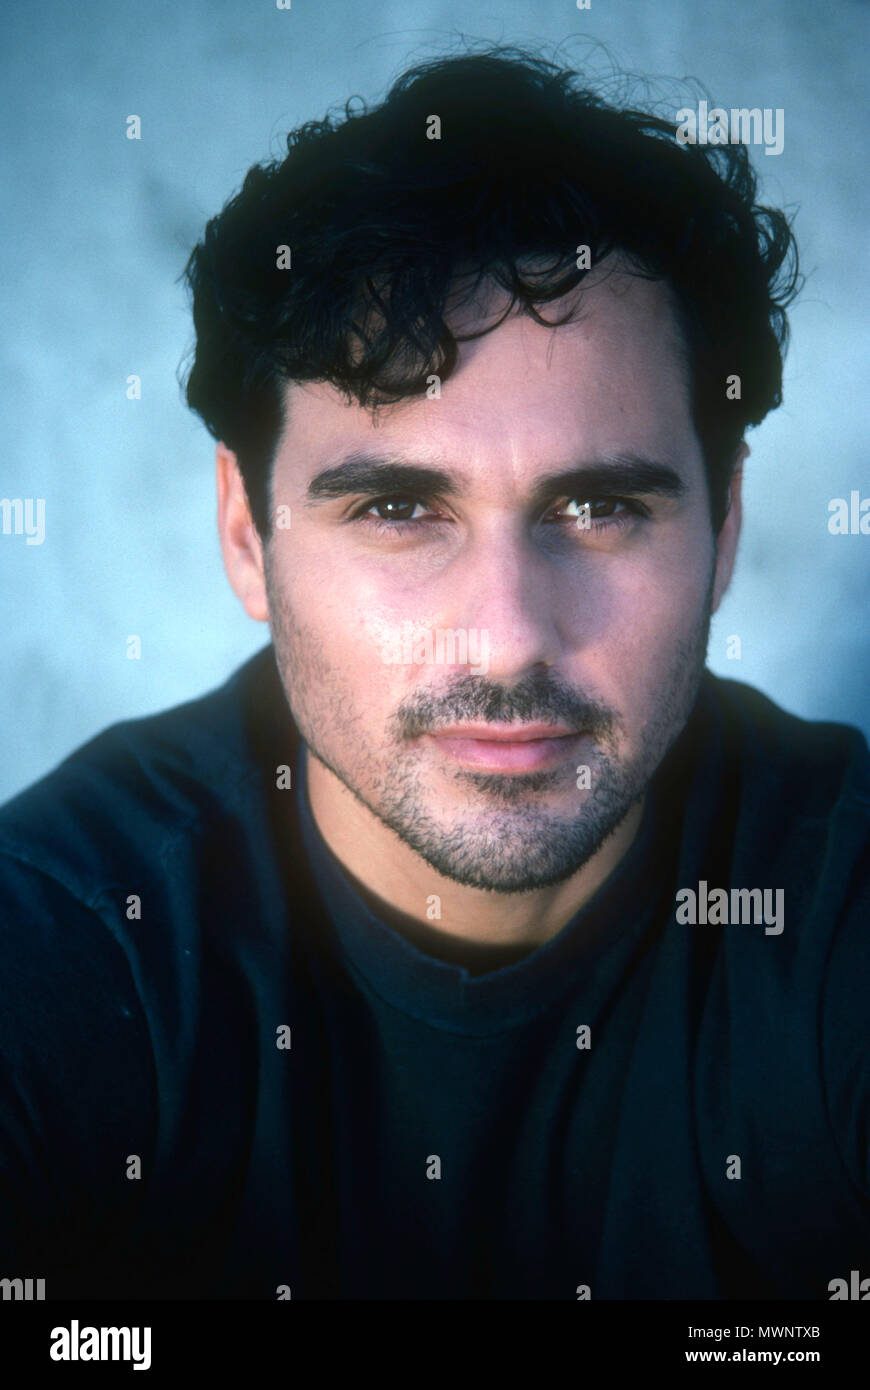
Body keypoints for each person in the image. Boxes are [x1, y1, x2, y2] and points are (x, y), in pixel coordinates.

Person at [1, 47, 867, 1302]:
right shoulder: (60, 949)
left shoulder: (837, 901)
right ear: (248, 536)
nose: (508, 637)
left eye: (600, 505)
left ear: (725, 530)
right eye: (401, 507)